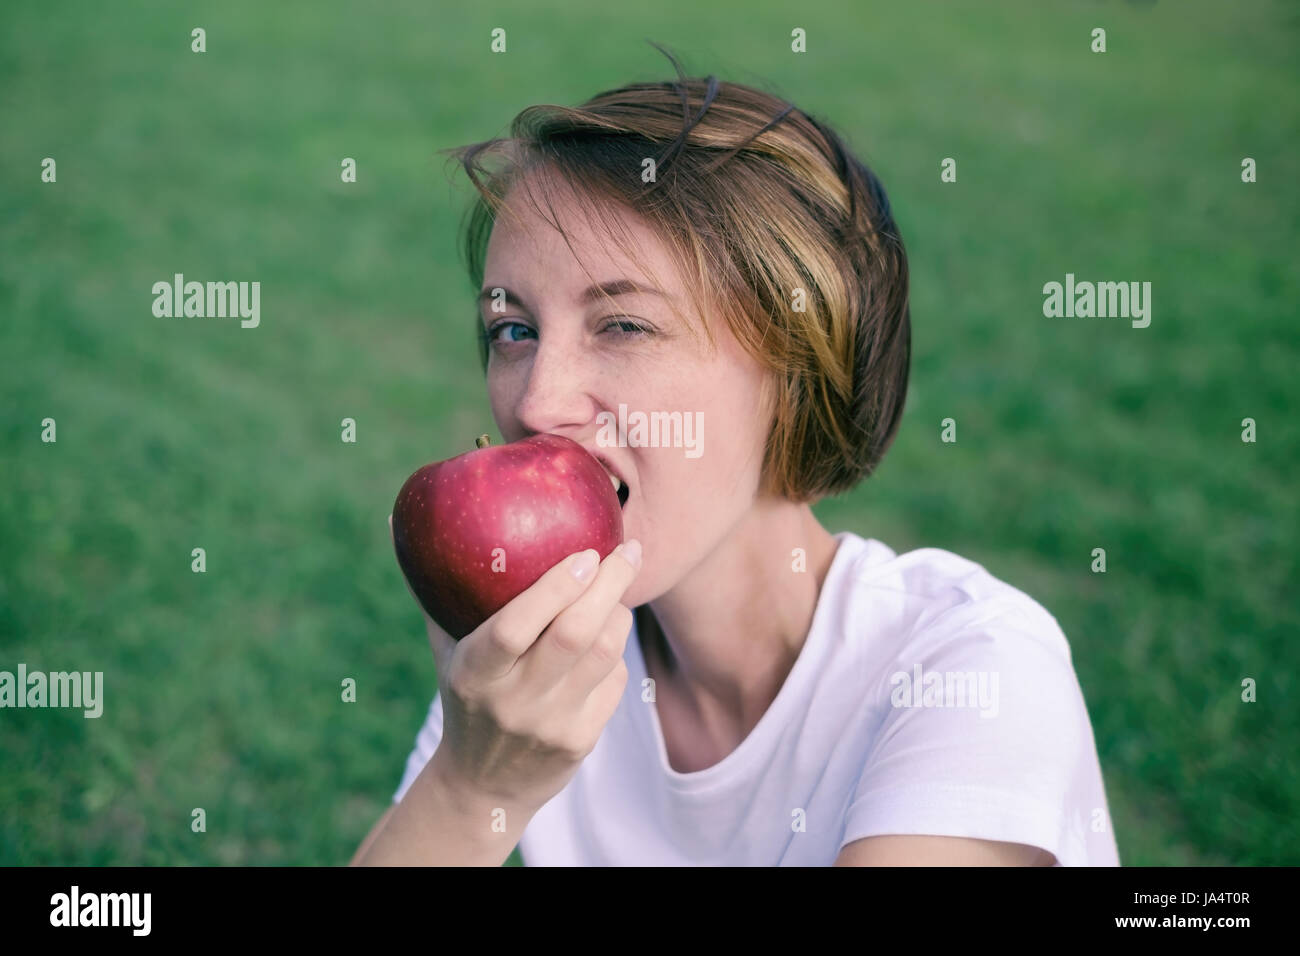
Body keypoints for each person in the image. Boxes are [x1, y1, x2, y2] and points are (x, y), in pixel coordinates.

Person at [351, 47, 1120, 867]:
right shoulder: (539, 685)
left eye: (624, 325)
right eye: (514, 330)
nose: (537, 404)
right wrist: (473, 788)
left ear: (795, 366)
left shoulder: (968, 671)